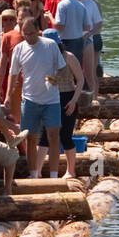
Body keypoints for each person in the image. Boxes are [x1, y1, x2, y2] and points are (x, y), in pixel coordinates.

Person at [6, 17, 65, 177]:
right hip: (30, 99)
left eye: (31, 33)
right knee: (30, 138)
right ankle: (33, 174)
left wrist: (55, 79)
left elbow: (61, 68)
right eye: (25, 34)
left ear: (38, 31)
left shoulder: (50, 45)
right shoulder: (19, 48)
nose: (28, 37)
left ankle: (53, 175)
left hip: (51, 99)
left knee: (53, 136)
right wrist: (8, 96)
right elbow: (13, 74)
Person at [37, 30, 86, 178]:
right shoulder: (42, 59)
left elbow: (81, 80)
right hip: (50, 98)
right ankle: (37, 171)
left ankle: (70, 171)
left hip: (67, 97)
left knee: (65, 135)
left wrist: (73, 101)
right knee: (44, 135)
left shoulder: (69, 57)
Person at [73, 0, 103, 97]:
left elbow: (98, 23)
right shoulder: (68, 2)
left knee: (89, 72)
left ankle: (94, 99)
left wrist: (90, 34)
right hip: (71, 40)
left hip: (87, 40)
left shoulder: (91, 4)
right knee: (74, 73)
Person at [53, 0, 89, 68]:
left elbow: (60, 27)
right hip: (79, 41)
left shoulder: (62, 4)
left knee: (65, 70)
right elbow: (86, 27)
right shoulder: (80, 4)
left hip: (66, 42)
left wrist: (49, 17)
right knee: (76, 69)